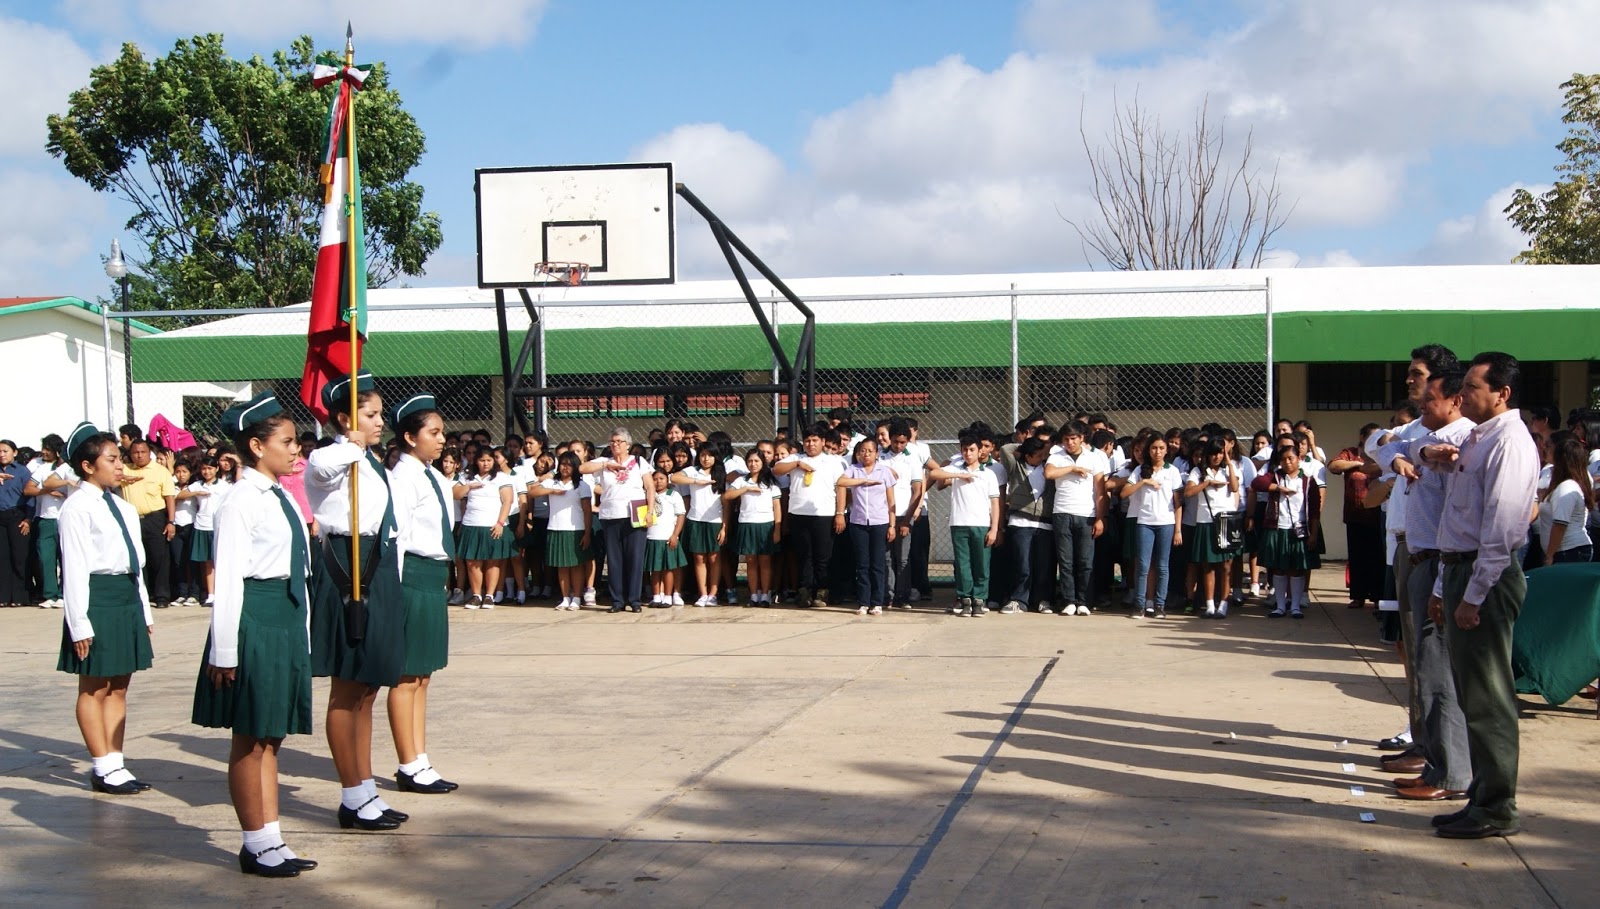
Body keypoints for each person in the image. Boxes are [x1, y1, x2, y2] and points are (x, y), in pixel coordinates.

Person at [189, 394, 318, 876]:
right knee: (251, 737)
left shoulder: (280, 495)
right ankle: (255, 843)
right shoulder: (241, 500)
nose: (296, 450)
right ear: (257, 446)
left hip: (284, 616)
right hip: (254, 619)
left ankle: (272, 837)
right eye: (287, 442)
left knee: (272, 735)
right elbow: (228, 579)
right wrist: (225, 651)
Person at [1417, 352, 1539, 839]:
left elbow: (1501, 530)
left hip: (1483, 575)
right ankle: (1482, 797)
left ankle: (1497, 806)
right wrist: (1434, 458)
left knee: (1489, 698)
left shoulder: (1510, 443)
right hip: (1460, 570)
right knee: (1473, 695)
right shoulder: (1478, 437)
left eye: (1471, 386)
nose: (1462, 394)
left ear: (1501, 393)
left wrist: (1473, 595)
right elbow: (1431, 462)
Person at [304, 370, 409, 830]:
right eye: (370, 414)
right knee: (347, 689)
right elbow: (322, 468)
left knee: (368, 688)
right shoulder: (331, 456)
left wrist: (359, 444)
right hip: (348, 570)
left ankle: (366, 789)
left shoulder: (368, 461)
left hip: (375, 566)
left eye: (380, 414)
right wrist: (351, 440)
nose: (380, 422)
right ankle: (351, 795)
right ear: (346, 419)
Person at [1384, 368, 1475, 801]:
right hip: (1424, 560)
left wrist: (1440, 585)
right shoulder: (1431, 439)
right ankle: (1437, 764)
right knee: (1427, 667)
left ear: (1455, 401)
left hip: (1441, 561)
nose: (1422, 406)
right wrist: (1414, 454)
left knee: (1439, 675)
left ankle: (1450, 774)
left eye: (1430, 399)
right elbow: (1387, 446)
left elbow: (1458, 522)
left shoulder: (1461, 444)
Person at [56, 421, 155, 794]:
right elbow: (75, 568)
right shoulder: (77, 508)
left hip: (125, 597)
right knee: (94, 686)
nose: (120, 465)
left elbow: (135, 566)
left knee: (119, 685)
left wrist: (143, 610)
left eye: (119, 458)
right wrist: (79, 623)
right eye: (111, 459)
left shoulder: (122, 506)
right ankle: (101, 766)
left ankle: (116, 763)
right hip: (97, 598)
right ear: (87, 466)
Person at [384, 393, 459, 800]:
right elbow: (396, 539)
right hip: (410, 576)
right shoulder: (403, 478)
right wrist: (394, 592)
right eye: (434, 432)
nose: (442, 439)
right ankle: (408, 764)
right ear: (411, 437)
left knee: (423, 674)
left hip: (431, 576)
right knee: (406, 675)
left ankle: (421, 759)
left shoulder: (433, 477)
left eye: (442, 432)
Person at [580, 428, 656, 613]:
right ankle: (617, 601)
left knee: (635, 559)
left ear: (627, 444)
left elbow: (650, 487)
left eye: (619, 441)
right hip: (610, 515)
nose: (615, 444)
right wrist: (606, 464)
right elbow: (582, 468)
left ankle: (634, 600)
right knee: (614, 560)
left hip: (635, 514)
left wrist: (650, 511)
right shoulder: (604, 462)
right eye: (612, 441)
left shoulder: (638, 461)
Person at [773, 424, 848, 609]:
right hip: (798, 514)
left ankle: (821, 591)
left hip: (823, 514)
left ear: (823, 441)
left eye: (815, 440)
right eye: (807, 441)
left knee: (823, 556)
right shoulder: (796, 458)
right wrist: (797, 464)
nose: (811, 444)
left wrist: (840, 513)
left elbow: (841, 487)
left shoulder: (832, 461)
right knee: (803, 555)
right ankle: (804, 591)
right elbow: (777, 469)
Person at [929, 432, 1002, 617]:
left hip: (981, 524)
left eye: (971, 450)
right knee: (962, 564)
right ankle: (965, 599)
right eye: (965, 450)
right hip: (959, 523)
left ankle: (979, 599)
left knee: (981, 564)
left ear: (980, 451)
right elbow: (934, 473)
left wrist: (994, 528)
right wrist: (958, 475)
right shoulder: (956, 468)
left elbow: (995, 503)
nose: (968, 454)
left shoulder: (989, 474)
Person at [1251, 437, 1321, 618]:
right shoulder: (1274, 476)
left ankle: (1295, 605)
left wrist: (1313, 534)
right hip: (1277, 528)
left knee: (1296, 569)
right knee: (1279, 568)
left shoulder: (1308, 481)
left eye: (1291, 458)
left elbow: (1314, 511)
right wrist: (1278, 488)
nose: (1287, 462)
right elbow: (1256, 483)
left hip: (1299, 529)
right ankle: (1280, 605)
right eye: (1283, 459)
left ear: (1299, 459)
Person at [1045, 425, 1108, 616]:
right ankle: (1069, 601)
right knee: (1066, 561)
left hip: (1087, 514)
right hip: (1062, 513)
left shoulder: (1094, 457)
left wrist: (1100, 518)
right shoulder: (1056, 456)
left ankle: (1084, 601)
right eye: (1066, 439)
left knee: (1085, 561)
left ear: (1082, 438)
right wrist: (1072, 468)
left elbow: (1100, 491)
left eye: (1073, 438)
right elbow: (1049, 473)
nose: (1070, 443)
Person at [1122, 434, 1184, 618]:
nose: (1158, 452)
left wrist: (1178, 530)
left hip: (1166, 523)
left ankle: (1159, 605)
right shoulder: (1140, 470)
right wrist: (1143, 481)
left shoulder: (1172, 471)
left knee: (1163, 565)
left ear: (1166, 450)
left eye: (1161, 448)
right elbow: (1124, 493)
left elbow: (1178, 503)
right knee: (1143, 565)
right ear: (1148, 450)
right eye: (1154, 448)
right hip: (1145, 522)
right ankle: (1139, 605)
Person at [835, 438, 896, 616]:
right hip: (858, 522)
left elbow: (891, 500)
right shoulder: (854, 470)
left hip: (880, 522)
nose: (866, 454)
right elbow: (841, 482)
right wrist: (862, 482)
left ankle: (877, 602)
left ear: (877, 453)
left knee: (877, 564)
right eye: (863, 451)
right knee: (862, 564)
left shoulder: (884, 471)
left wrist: (892, 525)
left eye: (870, 451)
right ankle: (863, 602)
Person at [1329, 425, 1386, 609]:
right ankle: (1358, 595)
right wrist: (1359, 465)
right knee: (1357, 557)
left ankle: (1377, 596)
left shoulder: (1382, 454)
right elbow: (1334, 466)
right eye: (1372, 436)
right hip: (1355, 514)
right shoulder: (1351, 453)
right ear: (1362, 437)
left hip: (1377, 514)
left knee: (1377, 557)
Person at [1184, 438, 1240, 618]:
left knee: (1226, 566)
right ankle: (1209, 605)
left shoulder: (1228, 469)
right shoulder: (1198, 471)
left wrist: (1229, 464)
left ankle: (1223, 604)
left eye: (1220, 453)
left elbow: (1235, 487)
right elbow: (1188, 492)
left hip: (1226, 520)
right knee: (1207, 565)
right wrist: (1207, 483)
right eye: (1213, 453)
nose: (1217, 457)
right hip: (1206, 521)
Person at [529, 452, 593, 610]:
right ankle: (565, 598)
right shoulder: (552, 482)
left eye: (569, 464)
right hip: (555, 528)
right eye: (563, 464)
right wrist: (551, 491)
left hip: (575, 530)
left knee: (576, 566)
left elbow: (587, 511)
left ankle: (576, 598)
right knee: (562, 566)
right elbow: (532, 492)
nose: (565, 467)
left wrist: (587, 533)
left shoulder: (581, 485)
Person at [119, 438, 178, 609]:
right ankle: (143, 593)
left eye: (143, 452)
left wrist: (171, 521)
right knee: (138, 557)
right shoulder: (124, 469)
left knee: (159, 558)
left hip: (155, 518)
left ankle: (162, 596)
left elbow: (169, 497)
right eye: (135, 452)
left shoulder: (160, 471)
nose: (139, 455)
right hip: (132, 519)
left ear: (149, 453)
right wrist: (123, 476)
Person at [457, 449, 515, 609]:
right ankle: (476, 595)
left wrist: (500, 523)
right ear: (476, 461)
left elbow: (507, 501)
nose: (486, 463)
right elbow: (456, 494)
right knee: (472, 562)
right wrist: (469, 486)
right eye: (482, 460)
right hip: (471, 524)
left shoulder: (501, 477)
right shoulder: (466, 476)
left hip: (493, 525)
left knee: (493, 561)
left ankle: (489, 596)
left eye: (489, 460)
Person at [672, 446, 728, 608]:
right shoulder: (692, 471)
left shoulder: (721, 473)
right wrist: (696, 481)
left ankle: (713, 594)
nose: (706, 459)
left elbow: (726, 504)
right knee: (699, 558)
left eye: (710, 455)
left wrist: (724, 527)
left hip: (715, 521)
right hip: (695, 519)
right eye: (703, 455)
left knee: (714, 558)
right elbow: (674, 477)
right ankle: (703, 594)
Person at [24, 434, 75, 608]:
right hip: (46, 519)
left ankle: (63, 594)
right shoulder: (43, 469)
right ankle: (49, 595)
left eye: (48, 449)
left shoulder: (73, 469)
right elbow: (28, 489)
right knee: (46, 558)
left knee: (66, 558)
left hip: (66, 519)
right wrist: (47, 491)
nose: (44, 452)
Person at [727, 449, 782, 607]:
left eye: (756, 461)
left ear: (763, 462)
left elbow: (777, 507)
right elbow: (728, 496)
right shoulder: (741, 480)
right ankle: (753, 595)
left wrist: (777, 529)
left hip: (766, 525)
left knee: (765, 561)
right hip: (746, 524)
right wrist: (746, 489)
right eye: (750, 461)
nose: (753, 464)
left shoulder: (770, 482)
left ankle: (765, 594)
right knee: (750, 561)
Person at [1536, 436, 1594, 565]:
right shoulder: (1562, 485)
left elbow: (1560, 525)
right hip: (1564, 551)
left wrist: (1549, 556)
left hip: (1569, 552)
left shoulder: (1566, 487)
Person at [644, 462, 687, 606]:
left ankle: (668, 596)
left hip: (667, 538)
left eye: (661, 478)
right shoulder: (648, 495)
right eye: (655, 479)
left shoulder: (673, 495)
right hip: (652, 537)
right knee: (655, 569)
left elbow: (681, 515)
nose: (658, 482)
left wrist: (675, 535)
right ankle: (656, 596)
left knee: (668, 569)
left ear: (667, 479)